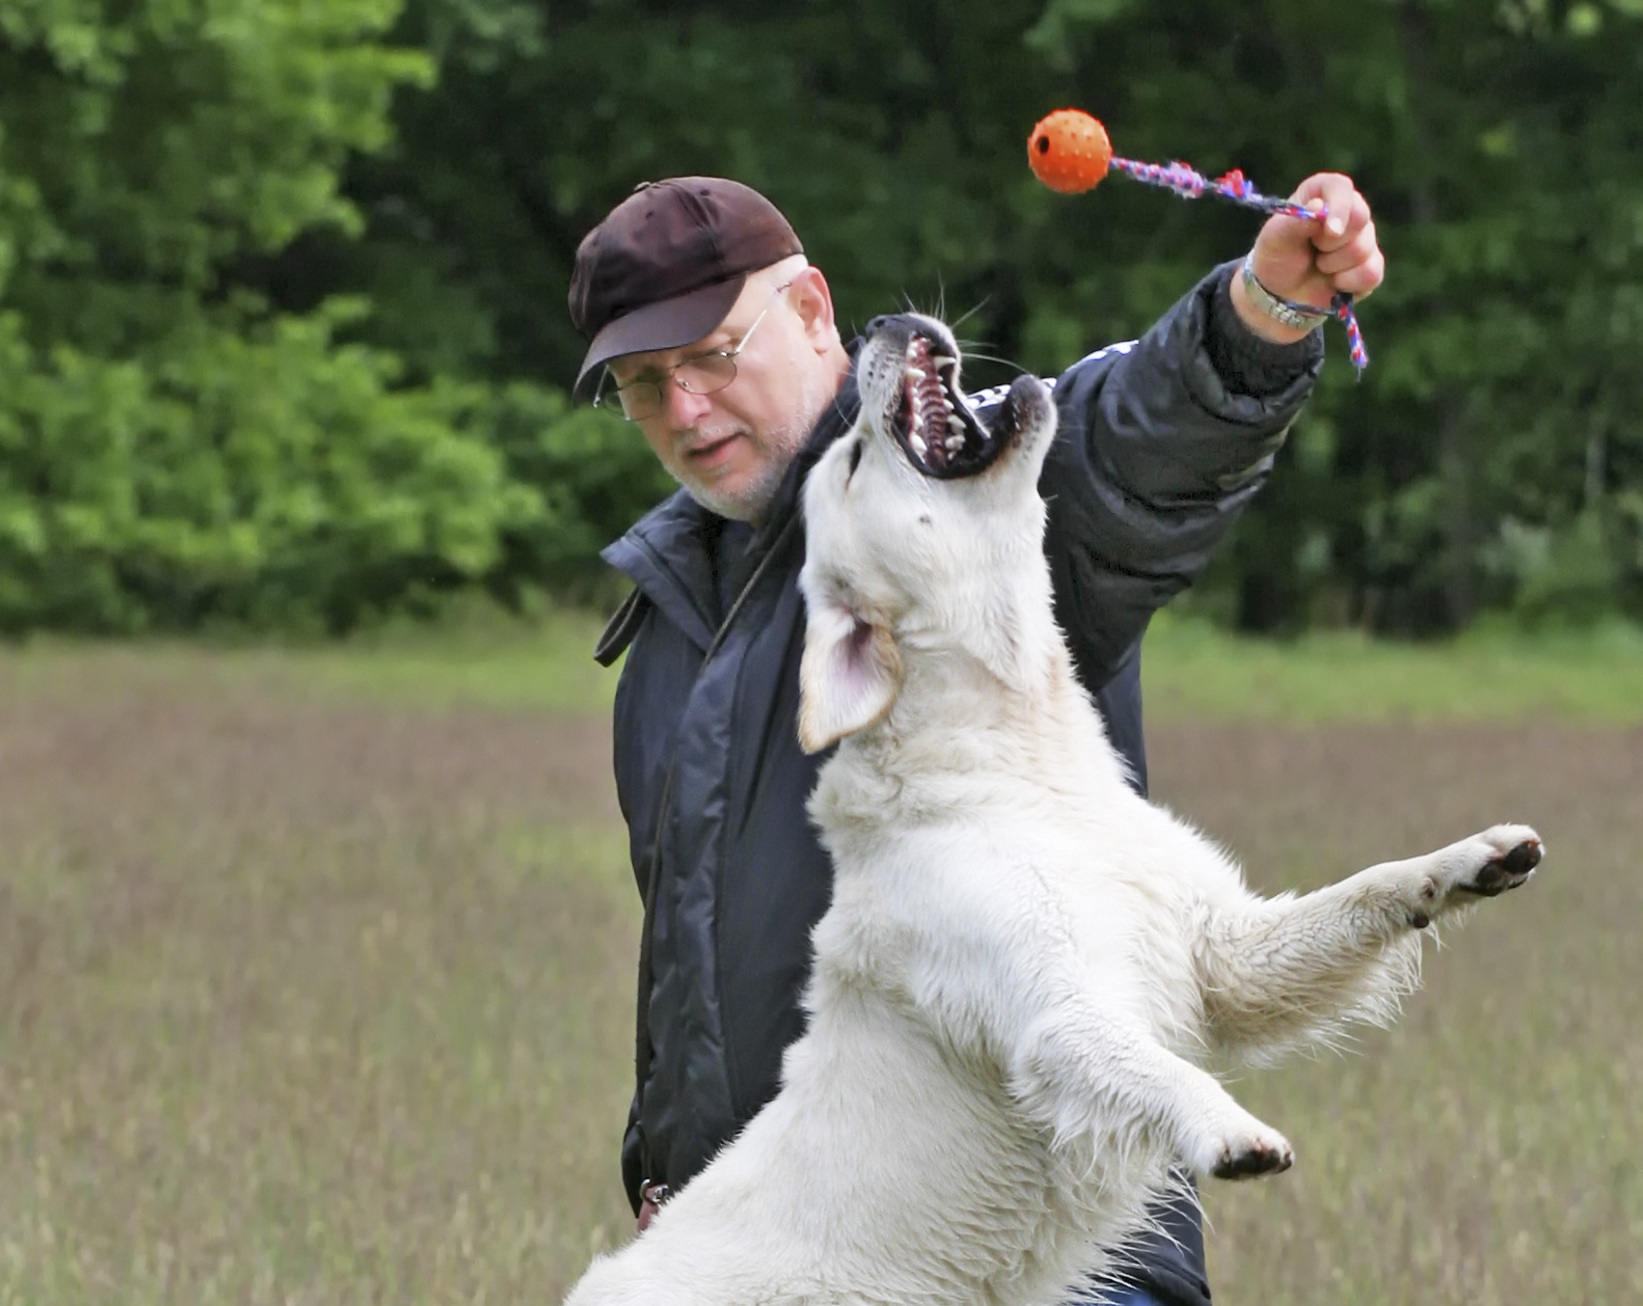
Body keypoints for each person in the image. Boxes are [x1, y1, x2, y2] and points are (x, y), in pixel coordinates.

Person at [569, 173, 1383, 1306]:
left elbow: (1142, 440)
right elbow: (693, 960)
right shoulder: (665, 629)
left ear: (810, 309)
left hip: (1049, 1259)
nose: (686, 409)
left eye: (711, 356)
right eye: (643, 384)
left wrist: (1262, 315)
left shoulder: (957, 469)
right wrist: (671, 1169)